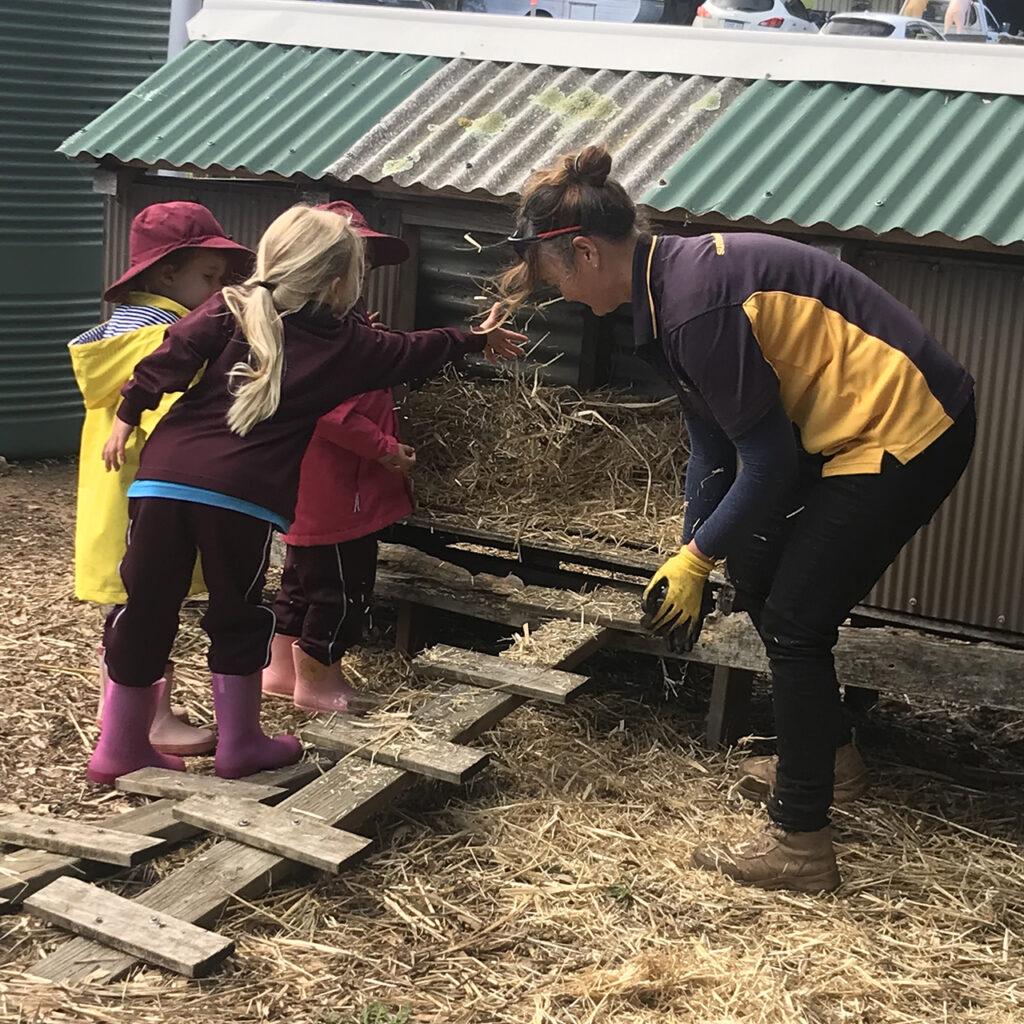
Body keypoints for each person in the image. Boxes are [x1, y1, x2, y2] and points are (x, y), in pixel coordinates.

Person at [497, 145, 975, 893]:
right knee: (757, 566)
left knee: (795, 619)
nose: (553, 290)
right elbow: (712, 447)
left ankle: (802, 841)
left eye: (550, 274)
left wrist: (697, 561)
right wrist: (693, 546)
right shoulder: (668, 291)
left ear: (583, 251)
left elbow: (769, 466)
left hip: (905, 426)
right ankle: (832, 755)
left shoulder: (697, 304)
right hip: (841, 431)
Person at [87, 204, 525, 786]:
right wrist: (474, 338)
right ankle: (240, 746)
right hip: (238, 498)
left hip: (162, 481)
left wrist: (128, 414)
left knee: (145, 609)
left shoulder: (230, 307)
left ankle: (117, 749)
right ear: (343, 281)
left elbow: (172, 353)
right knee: (236, 613)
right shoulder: (348, 346)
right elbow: (415, 348)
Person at [68, 201, 253, 756]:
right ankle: (147, 721)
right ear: (168, 272)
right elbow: (173, 416)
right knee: (141, 607)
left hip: (116, 495)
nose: (218, 290)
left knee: (132, 607)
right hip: (140, 496)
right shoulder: (164, 340)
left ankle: (140, 717)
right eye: (209, 277)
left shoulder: (124, 331)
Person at [261, 201, 415, 713]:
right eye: (355, 260)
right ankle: (320, 682)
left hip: (307, 488)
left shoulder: (308, 326)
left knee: (301, 582)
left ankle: (281, 670)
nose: (360, 272)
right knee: (341, 591)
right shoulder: (325, 336)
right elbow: (332, 411)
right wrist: (385, 448)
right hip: (338, 493)